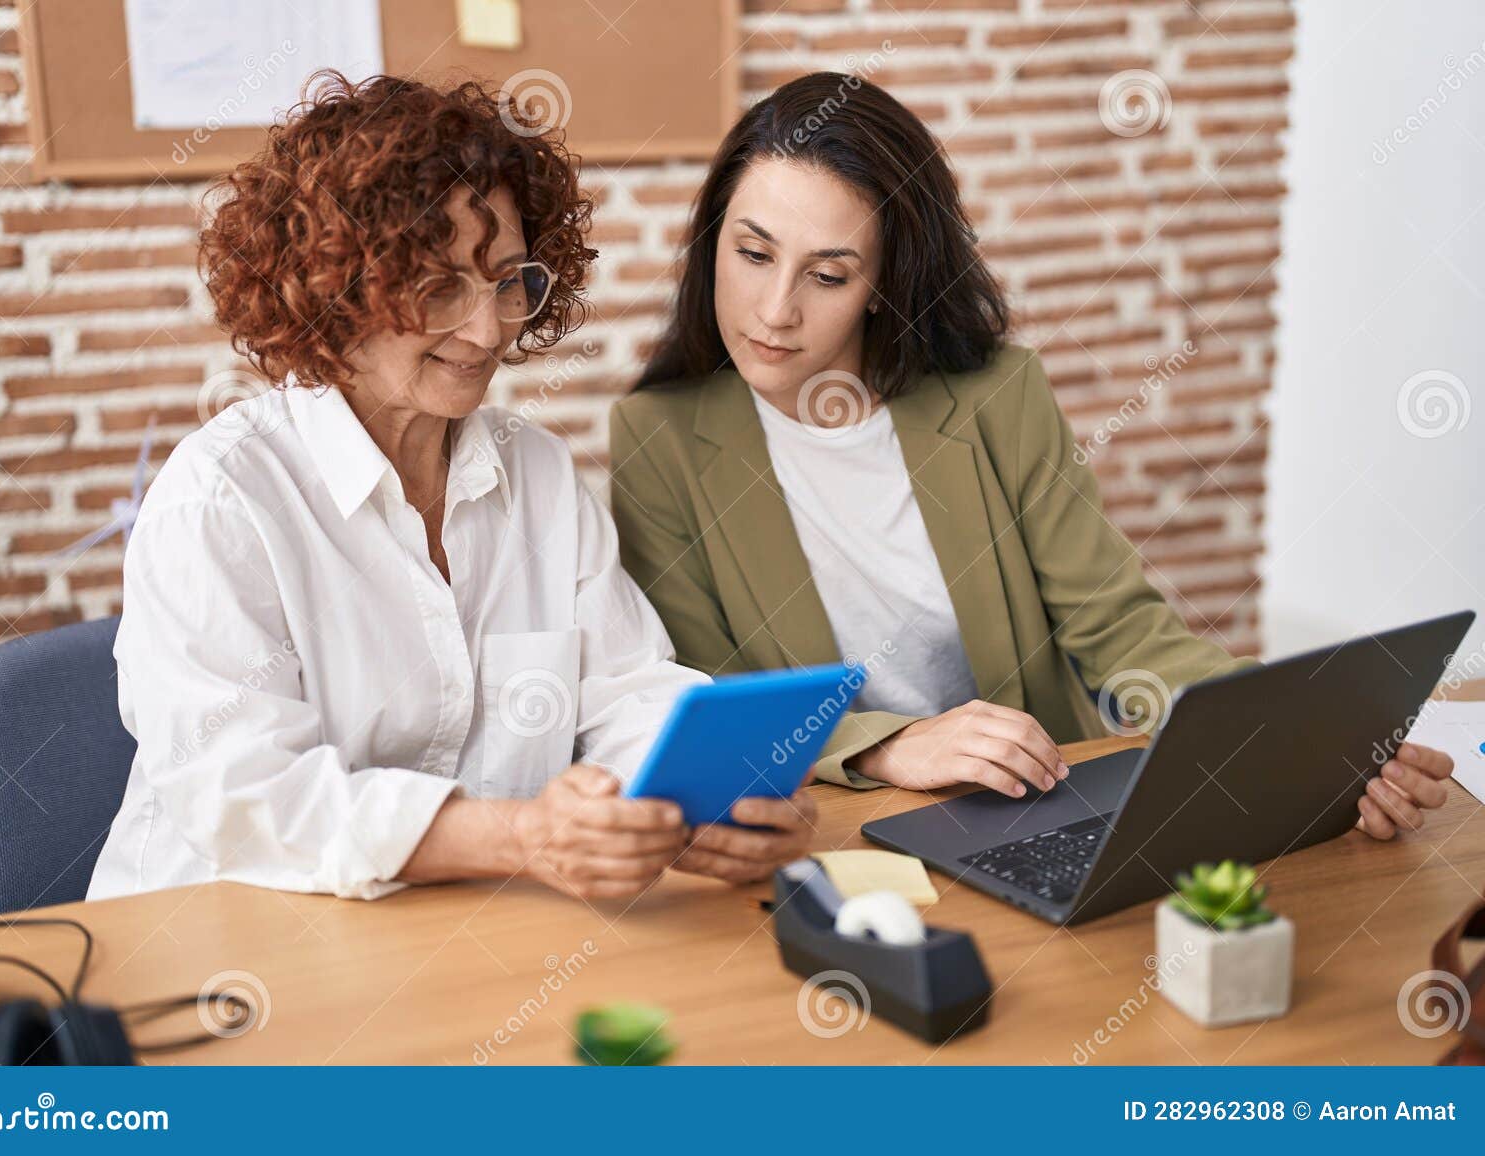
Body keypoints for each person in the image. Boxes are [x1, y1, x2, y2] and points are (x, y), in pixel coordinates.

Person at [609, 72, 1453, 840]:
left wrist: (1301, 736)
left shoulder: (994, 397)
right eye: (753, 255)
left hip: (1034, 812)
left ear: (884, 287)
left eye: (828, 276)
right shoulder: (660, 441)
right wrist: (889, 746)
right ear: (713, 240)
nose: (775, 310)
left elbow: (1118, 627)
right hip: (832, 833)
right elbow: (705, 698)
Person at [87, 72, 816, 904]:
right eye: (437, 288)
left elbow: (628, 690)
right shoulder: (221, 500)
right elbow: (250, 797)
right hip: (224, 952)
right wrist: (520, 836)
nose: (486, 331)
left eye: (509, 281)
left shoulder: (536, 472)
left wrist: (714, 799)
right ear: (330, 289)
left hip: (459, 935)